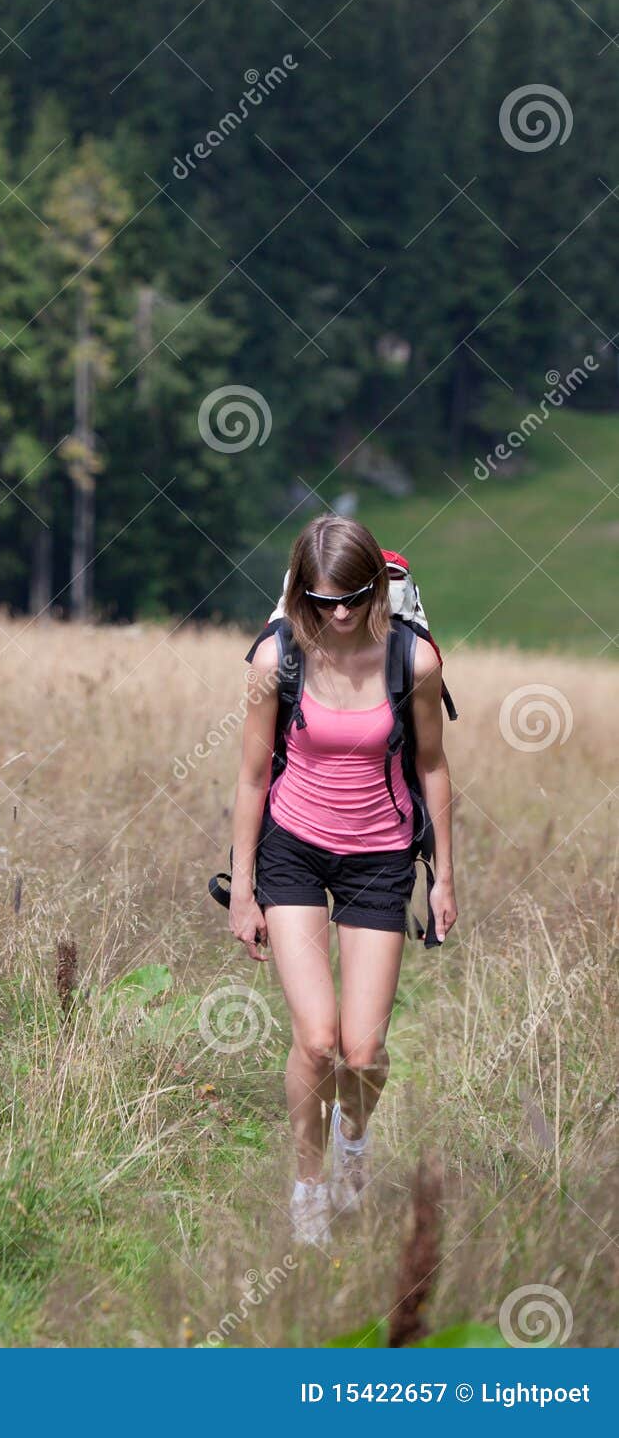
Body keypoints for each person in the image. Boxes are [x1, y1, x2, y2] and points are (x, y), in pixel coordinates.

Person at [229, 515, 457, 1248]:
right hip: (292, 850)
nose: (336, 614)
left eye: (351, 598)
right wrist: (241, 887)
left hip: (380, 855)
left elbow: (430, 767)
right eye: (321, 599)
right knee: (319, 1041)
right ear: (299, 592)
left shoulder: (411, 662)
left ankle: (352, 1137)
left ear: (376, 589)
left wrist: (444, 878)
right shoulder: (277, 657)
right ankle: (307, 1189)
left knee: (362, 1052)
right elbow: (252, 774)